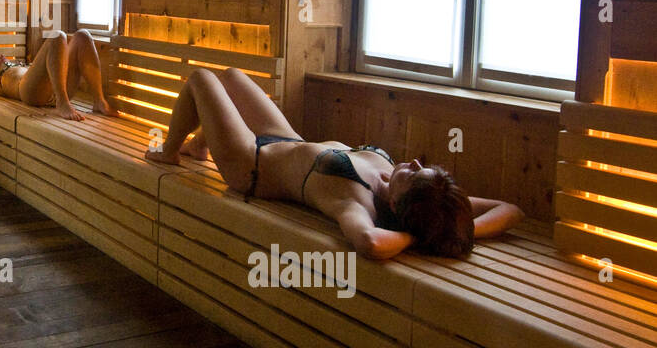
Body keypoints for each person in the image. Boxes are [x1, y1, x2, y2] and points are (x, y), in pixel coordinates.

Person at [144, 67, 524, 260]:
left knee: (201, 79)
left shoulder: (356, 204)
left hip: (251, 164)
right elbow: (511, 209)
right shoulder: (428, 199)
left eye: (412, 173)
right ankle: (200, 145)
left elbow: (370, 243)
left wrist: (416, 237)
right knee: (231, 77)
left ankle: (170, 150)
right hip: (286, 139)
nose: (410, 162)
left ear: (396, 204)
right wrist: (452, 231)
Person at [0, 29, 115, 121]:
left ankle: (99, 100)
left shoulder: (22, 65)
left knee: (83, 36)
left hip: (58, 86)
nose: (1, 56)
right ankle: (62, 102)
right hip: (31, 92)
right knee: (57, 35)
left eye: (1, 55)